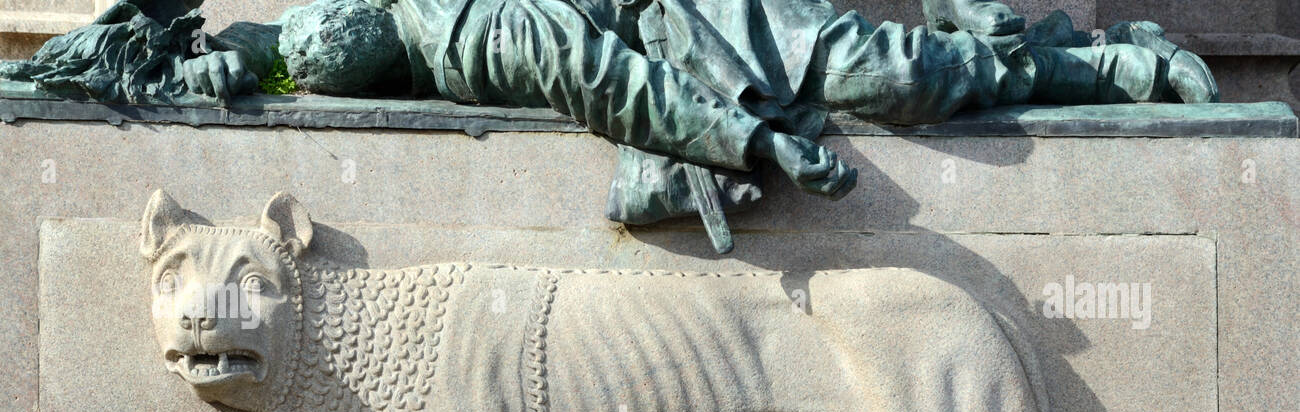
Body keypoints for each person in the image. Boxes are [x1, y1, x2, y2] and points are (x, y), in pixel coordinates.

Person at [184, 0, 1220, 202]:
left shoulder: (449, 26)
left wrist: (747, 145)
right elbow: (259, 47)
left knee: (905, 72)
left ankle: (1083, 55)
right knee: (909, 77)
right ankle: (1100, 63)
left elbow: (604, 83)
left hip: (699, 21)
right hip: (694, 45)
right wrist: (225, 56)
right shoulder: (441, 39)